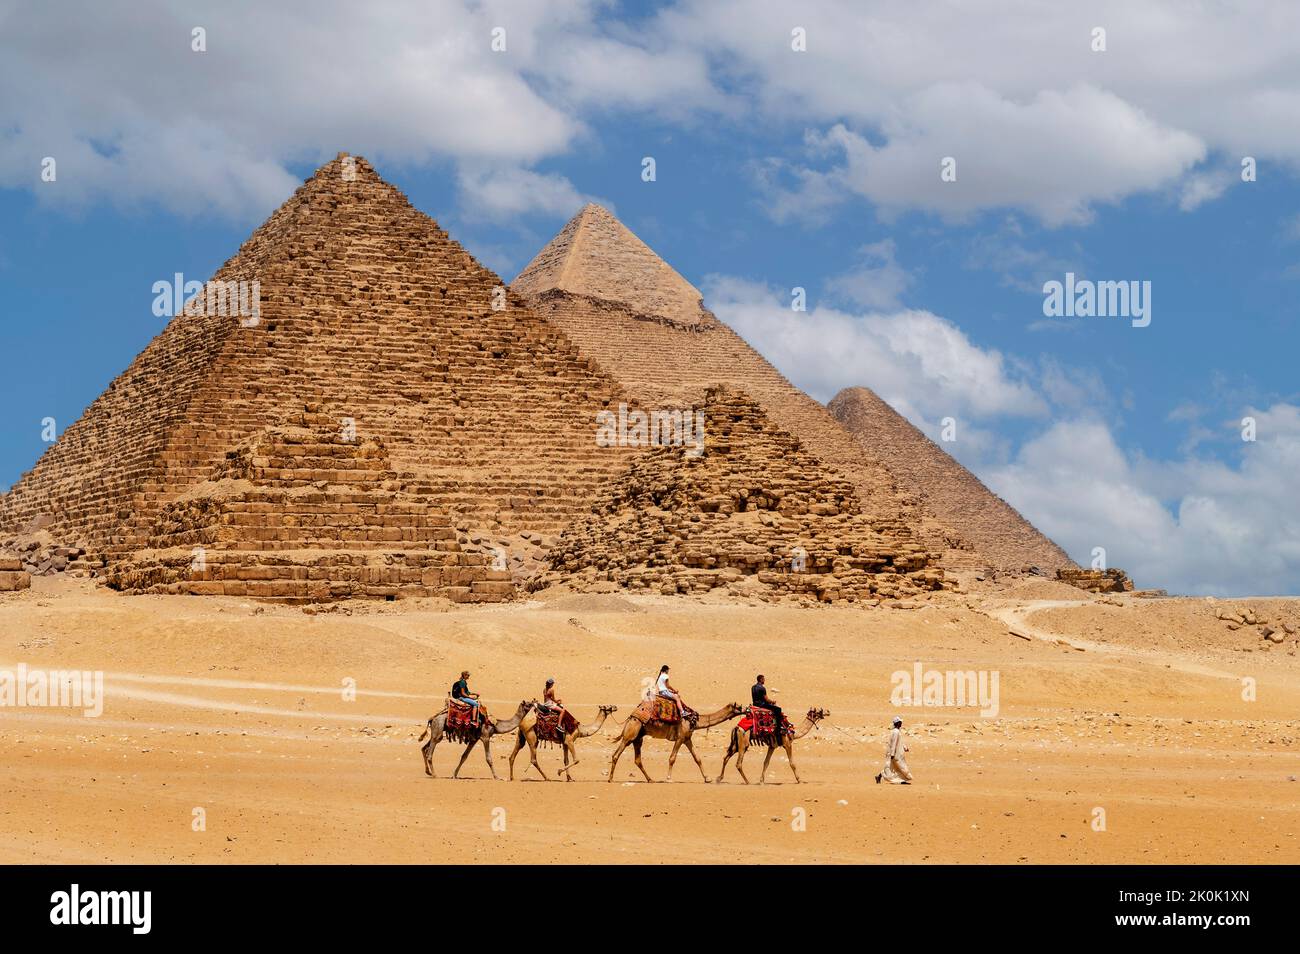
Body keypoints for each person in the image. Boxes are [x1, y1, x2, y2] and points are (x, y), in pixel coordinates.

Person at [876, 716, 912, 784]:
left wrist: (905, 748)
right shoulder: (896, 732)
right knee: (899, 766)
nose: (901, 723)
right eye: (900, 722)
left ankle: (879, 776)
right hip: (895, 754)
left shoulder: (897, 731)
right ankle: (901, 780)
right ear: (898, 723)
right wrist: (892, 754)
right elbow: (894, 743)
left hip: (895, 753)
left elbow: (900, 742)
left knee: (891, 767)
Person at [751, 674, 784, 742]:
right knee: (778, 709)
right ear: (760, 679)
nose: (764, 680)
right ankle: (778, 728)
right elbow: (766, 699)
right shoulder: (762, 688)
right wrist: (773, 701)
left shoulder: (753, 687)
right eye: (763, 679)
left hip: (755, 704)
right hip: (762, 705)